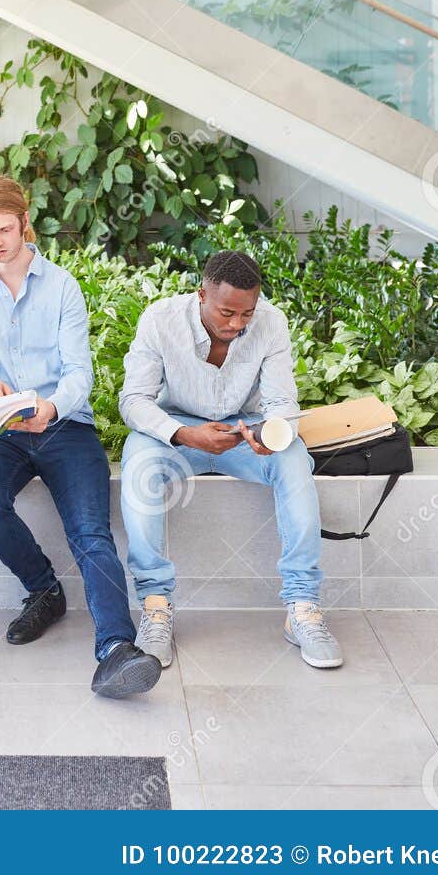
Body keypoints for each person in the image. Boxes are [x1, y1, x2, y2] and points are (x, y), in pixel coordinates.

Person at [0, 175, 161, 698]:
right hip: (3, 429)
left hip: (65, 424)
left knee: (90, 531)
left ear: (25, 223)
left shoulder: (62, 287)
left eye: (5, 229)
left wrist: (49, 406)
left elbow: (79, 374)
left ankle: (116, 648)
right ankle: (44, 591)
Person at [119, 248, 343, 671]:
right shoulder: (160, 319)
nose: (237, 324)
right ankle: (155, 606)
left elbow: (281, 402)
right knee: (139, 467)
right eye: (227, 313)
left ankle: (303, 607)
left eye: (247, 314)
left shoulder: (271, 323)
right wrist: (184, 433)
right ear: (201, 293)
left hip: (245, 432)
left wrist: (272, 434)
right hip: (177, 432)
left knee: (294, 461)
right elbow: (133, 401)